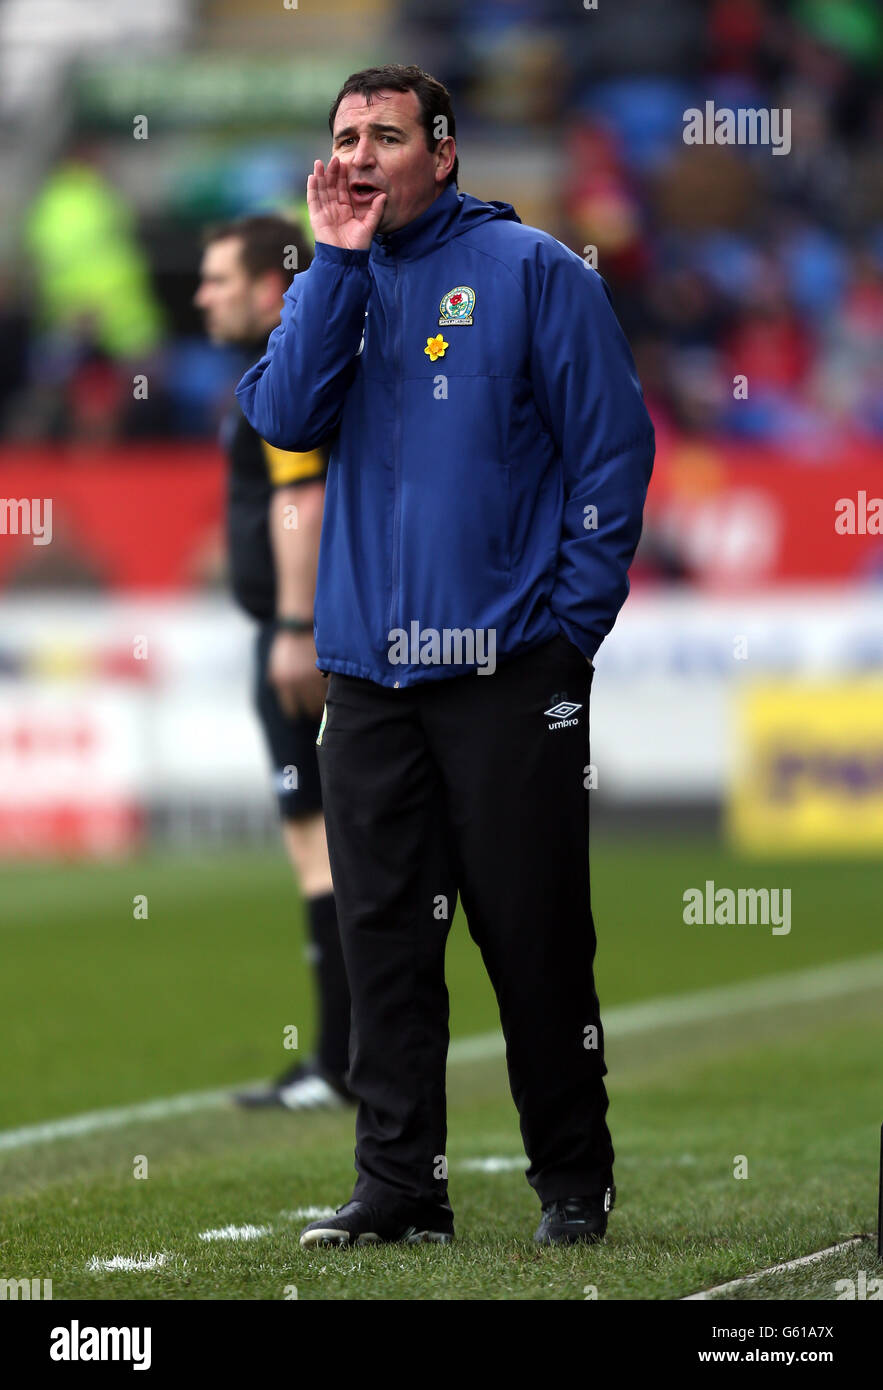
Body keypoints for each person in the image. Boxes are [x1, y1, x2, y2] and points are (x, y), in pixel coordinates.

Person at [236, 64, 654, 1246]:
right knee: (383, 946)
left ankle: (572, 1180)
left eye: (384, 135)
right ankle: (400, 1188)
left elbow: (610, 453)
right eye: (342, 139)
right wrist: (335, 263)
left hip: (508, 672)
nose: (359, 155)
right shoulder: (333, 281)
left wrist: (570, 631)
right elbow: (283, 416)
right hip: (368, 681)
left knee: (532, 938)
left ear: (446, 149)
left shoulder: (533, 273)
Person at [195, 215, 353, 1111]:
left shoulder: (284, 369)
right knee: (330, 845)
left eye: (217, 280)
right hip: (299, 627)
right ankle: (345, 1057)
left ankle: (338, 1062)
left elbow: (303, 499)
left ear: (268, 289)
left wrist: (295, 625)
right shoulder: (282, 370)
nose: (201, 296)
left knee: (319, 847)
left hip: (300, 636)